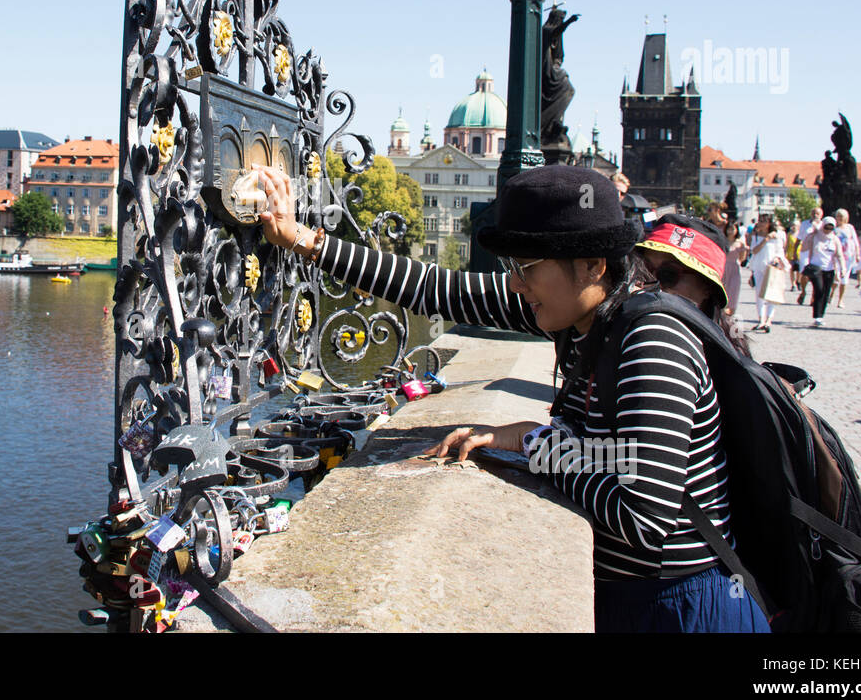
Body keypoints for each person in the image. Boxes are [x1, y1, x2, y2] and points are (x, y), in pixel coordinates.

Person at [255, 163, 769, 633]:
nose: (516, 284)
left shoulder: (652, 339)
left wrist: (536, 442)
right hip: (628, 598)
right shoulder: (582, 313)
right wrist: (303, 239)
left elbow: (644, 516)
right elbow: (439, 289)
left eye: (527, 267)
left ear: (592, 265)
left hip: (681, 609)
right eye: (512, 267)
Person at [637, 214, 750, 357]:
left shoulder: (727, 360)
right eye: (642, 270)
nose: (646, 284)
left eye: (668, 274)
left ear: (707, 287)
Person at [803, 216, 848, 327]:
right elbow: (804, 248)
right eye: (826, 228)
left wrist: (843, 268)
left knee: (826, 293)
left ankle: (820, 315)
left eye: (830, 228)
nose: (827, 230)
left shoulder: (834, 239)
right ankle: (817, 316)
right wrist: (810, 234)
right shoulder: (815, 236)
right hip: (816, 267)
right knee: (819, 290)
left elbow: (839, 255)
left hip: (829, 269)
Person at [750, 215, 789, 333]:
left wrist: (777, 259)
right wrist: (766, 239)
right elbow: (754, 250)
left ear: (769, 223)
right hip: (758, 265)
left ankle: (769, 320)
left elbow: (780, 251)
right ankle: (761, 319)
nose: (761, 223)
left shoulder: (777, 236)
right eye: (760, 221)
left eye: (764, 221)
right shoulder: (756, 235)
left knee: (771, 294)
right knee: (759, 293)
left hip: (771, 266)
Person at [832, 210, 860, 310]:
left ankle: (840, 299)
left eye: (842, 216)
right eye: (838, 216)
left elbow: (855, 241)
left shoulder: (850, 227)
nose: (839, 218)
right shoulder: (834, 228)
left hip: (847, 256)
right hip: (835, 256)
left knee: (844, 278)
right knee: (835, 278)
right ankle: (831, 294)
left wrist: (857, 254)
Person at [795, 206, 824, 303]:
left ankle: (813, 297)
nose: (815, 215)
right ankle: (803, 292)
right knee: (805, 273)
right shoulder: (804, 224)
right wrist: (795, 252)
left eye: (818, 213)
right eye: (814, 213)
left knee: (816, 275)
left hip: (817, 252)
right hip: (805, 251)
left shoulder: (823, 225)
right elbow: (799, 238)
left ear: (821, 215)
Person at [722, 221, 748, 323]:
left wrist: (742, 250)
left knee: (733, 292)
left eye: (733, 229)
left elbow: (742, 259)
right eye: (729, 229)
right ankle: (723, 318)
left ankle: (730, 317)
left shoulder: (740, 243)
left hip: (734, 269)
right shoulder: (722, 241)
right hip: (723, 268)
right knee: (723, 293)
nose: (730, 231)